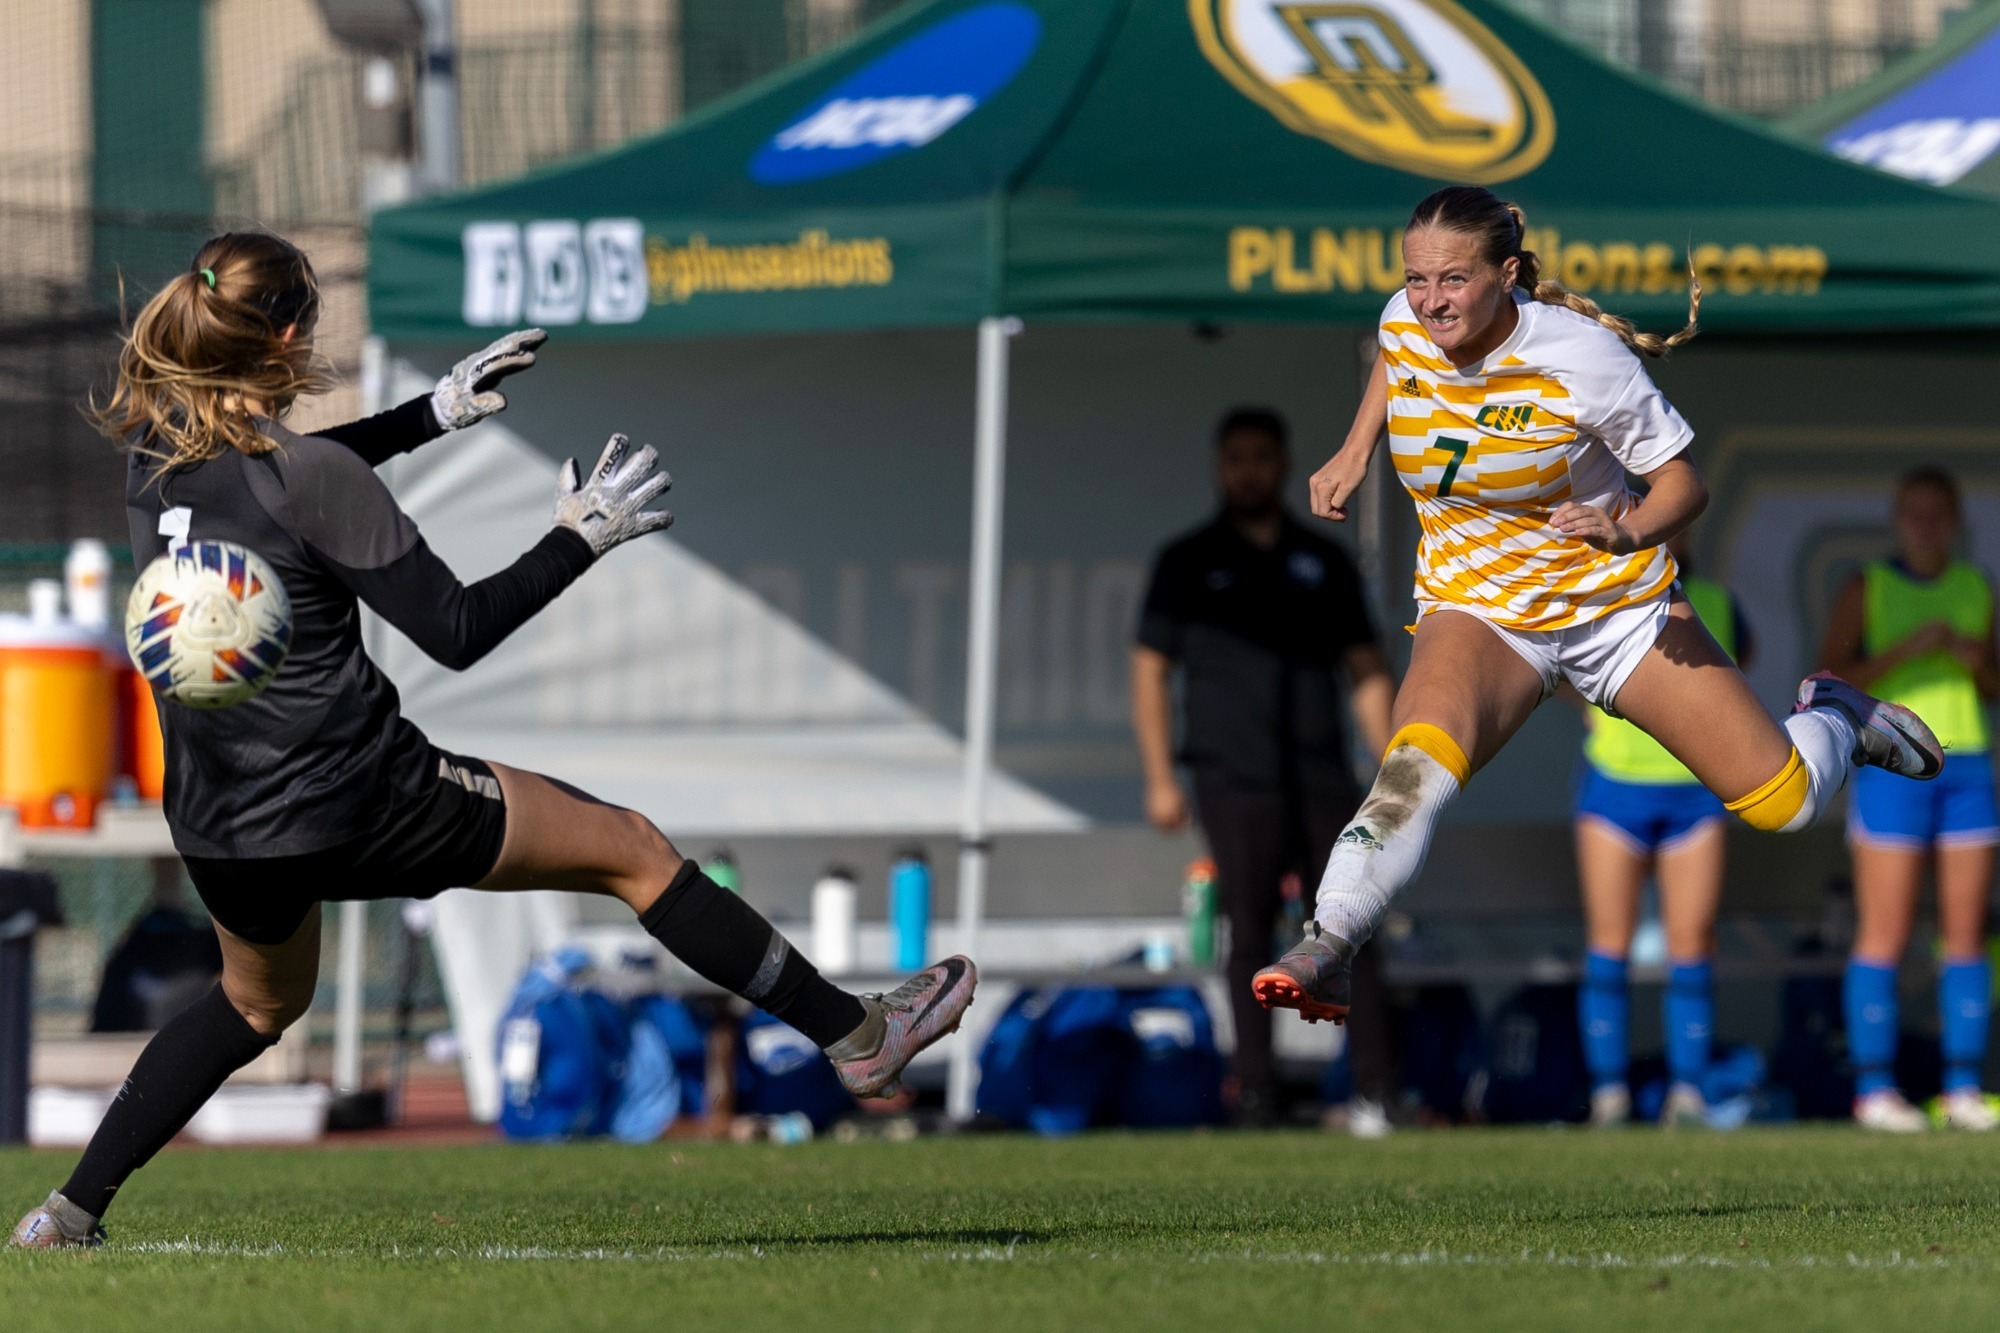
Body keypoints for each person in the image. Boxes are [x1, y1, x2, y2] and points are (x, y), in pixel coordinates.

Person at [11, 232, 975, 1249]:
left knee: (254, 1006)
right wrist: (579, 535)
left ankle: (67, 1210)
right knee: (633, 850)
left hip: (221, 826)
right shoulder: (309, 476)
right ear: (290, 335)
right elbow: (457, 629)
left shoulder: (154, 465)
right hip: (363, 799)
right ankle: (858, 1035)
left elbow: (291, 479)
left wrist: (430, 415)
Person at [1250, 185, 1944, 1036]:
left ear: (1508, 274)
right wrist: (1355, 449)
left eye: (1454, 279)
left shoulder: (1581, 356)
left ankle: (1837, 714)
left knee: (1784, 804)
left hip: (1613, 611)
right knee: (1411, 770)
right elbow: (1397, 359)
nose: (1431, 300)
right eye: (1416, 278)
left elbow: (1684, 482)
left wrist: (1628, 531)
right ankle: (1329, 941)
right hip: (1480, 605)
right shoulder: (1407, 319)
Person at [1132, 407, 1394, 1130]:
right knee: (1248, 932)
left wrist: (1399, 771)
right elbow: (1149, 670)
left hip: (1322, 774)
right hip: (1232, 777)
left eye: (1261, 457)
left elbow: (1366, 668)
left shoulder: (1323, 560)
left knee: (1348, 926)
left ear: (1283, 464)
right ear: (1220, 467)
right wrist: (1159, 777)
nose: (1248, 471)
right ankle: (1256, 1092)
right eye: (1236, 458)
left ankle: (1376, 1089)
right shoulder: (1188, 560)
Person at [1818, 467, 2000, 1132]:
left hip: (1968, 766)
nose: (1925, 526)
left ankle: (1962, 1087)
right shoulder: (1868, 585)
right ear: (1898, 520)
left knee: (1966, 935)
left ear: (1954, 523)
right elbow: (1828, 679)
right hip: (1893, 769)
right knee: (1885, 931)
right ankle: (1874, 1090)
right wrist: (1906, 649)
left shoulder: (1975, 585)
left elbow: (1993, 685)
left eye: (1937, 514)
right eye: (1914, 513)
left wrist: (1978, 662)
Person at [1572, 531, 1753, 1129]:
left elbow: (1738, 672)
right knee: (1609, 944)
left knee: (1692, 944)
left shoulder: (1717, 601)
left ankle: (1688, 1094)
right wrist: (1596, 710)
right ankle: (1609, 1095)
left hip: (1693, 792)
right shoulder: (1599, 589)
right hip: (1615, 787)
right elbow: (1555, 663)